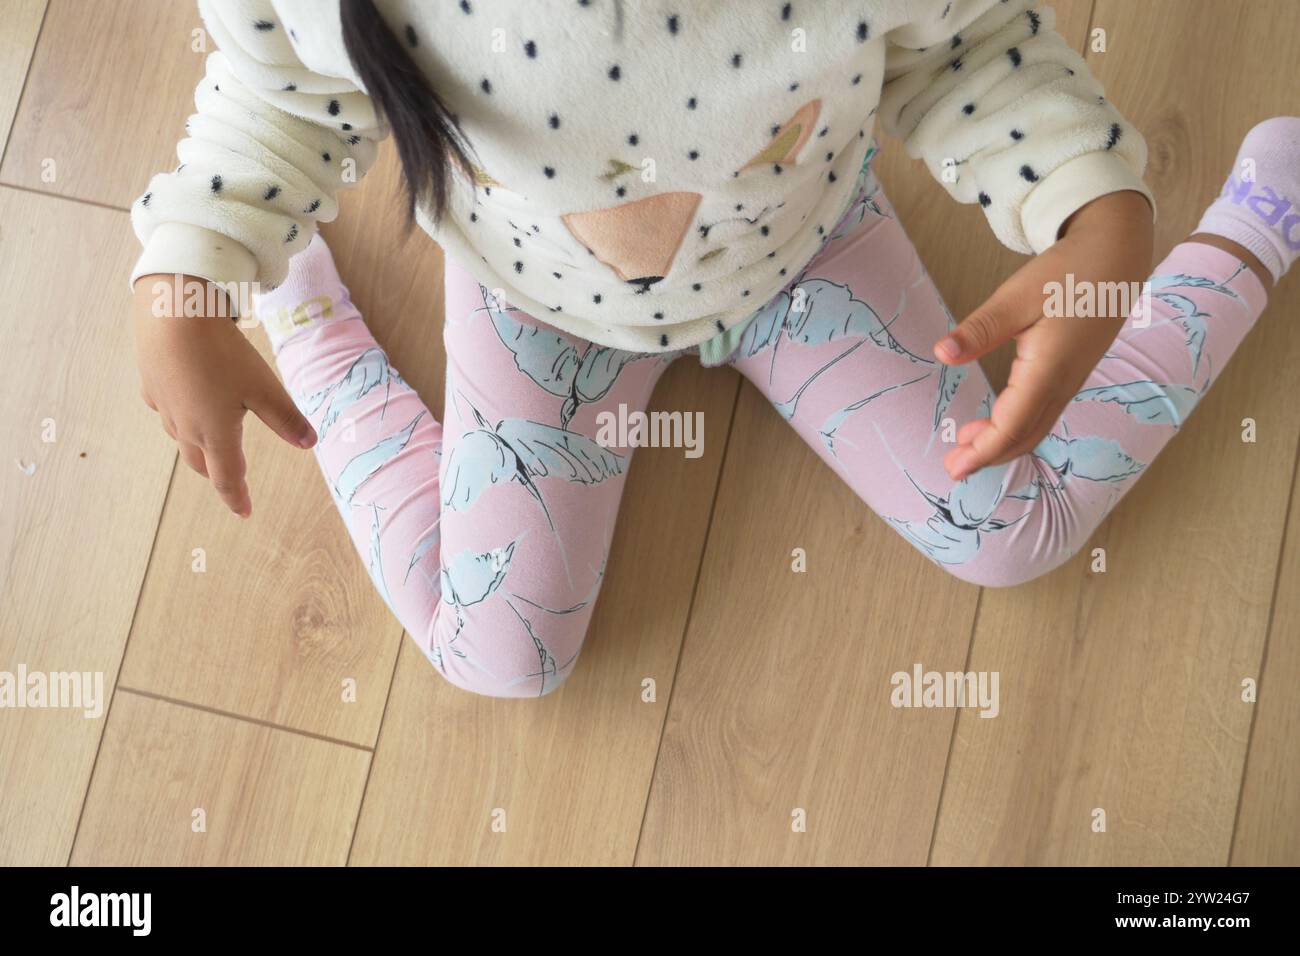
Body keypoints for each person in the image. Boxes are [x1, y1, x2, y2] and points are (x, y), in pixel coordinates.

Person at [130, 1, 1298, 696]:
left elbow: (967, 43)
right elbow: (279, 96)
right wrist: (191, 273)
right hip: (539, 304)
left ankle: (1261, 222)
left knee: (1006, 532)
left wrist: (1100, 212)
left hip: (804, 254)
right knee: (499, 656)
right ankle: (304, 306)